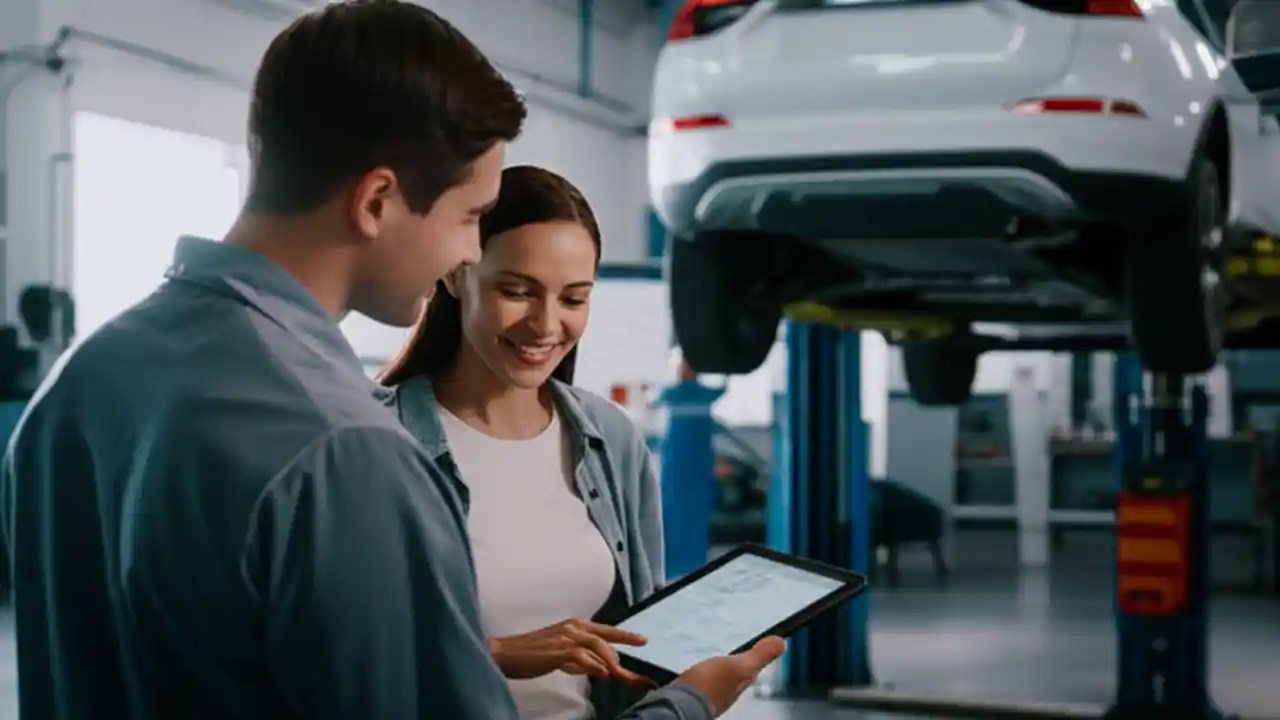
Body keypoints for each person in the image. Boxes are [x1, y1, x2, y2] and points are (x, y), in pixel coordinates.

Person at [0, 2, 782, 719]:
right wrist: (686, 707)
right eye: (471, 216)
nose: (468, 249)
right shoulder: (345, 450)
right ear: (377, 201)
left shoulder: (78, 388)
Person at [381, 165, 668, 719]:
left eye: (574, 299)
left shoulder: (610, 439)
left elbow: (645, 640)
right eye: (518, 291)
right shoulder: (374, 441)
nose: (545, 325)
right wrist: (496, 655)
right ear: (456, 275)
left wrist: (690, 687)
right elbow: (338, 652)